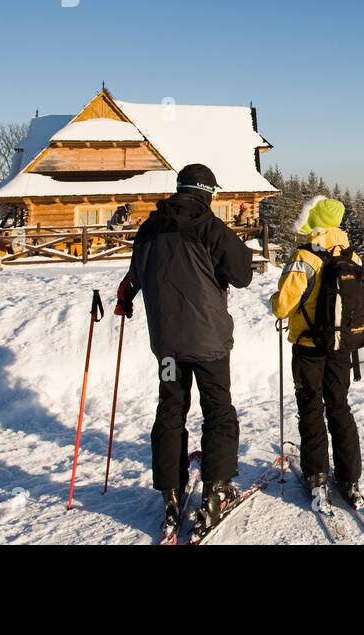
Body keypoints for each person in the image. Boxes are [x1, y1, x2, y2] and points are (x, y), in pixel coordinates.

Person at [114, 163, 254, 533]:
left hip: (168, 346)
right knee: (218, 410)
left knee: (171, 409)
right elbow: (243, 275)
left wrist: (125, 294)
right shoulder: (211, 228)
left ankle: (171, 492)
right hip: (209, 345)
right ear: (207, 193)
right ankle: (216, 490)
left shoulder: (149, 229)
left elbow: (135, 278)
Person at [270, 195, 364, 511]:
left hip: (309, 346)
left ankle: (317, 477)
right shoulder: (352, 256)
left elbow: (283, 306)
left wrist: (275, 300)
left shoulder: (304, 257)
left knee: (311, 407)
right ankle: (350, 479)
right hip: (341, 348)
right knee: (339, 406)